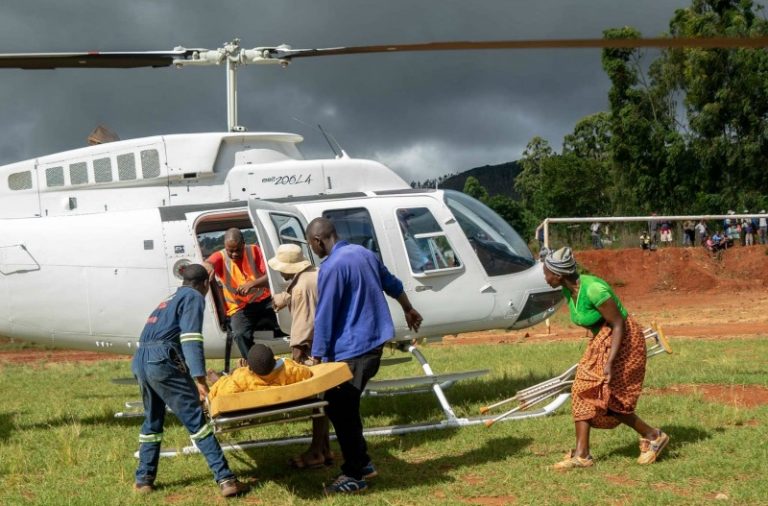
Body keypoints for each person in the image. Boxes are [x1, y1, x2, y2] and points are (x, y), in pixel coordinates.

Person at [306, 217, 423, 494]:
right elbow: (392, 284)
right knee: (346, 406)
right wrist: (408, 308)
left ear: (318, 241)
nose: (314, 250)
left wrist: (318, 358)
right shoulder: (364, 253)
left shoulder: (332, 267)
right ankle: (363, 462)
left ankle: (354, 474)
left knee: (340, 408)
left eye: (313, 245)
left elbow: (325, 315)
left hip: (354, 351)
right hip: (372, 345)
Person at [542, 247, 669, 470]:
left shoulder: (594, 290)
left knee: (610, 397)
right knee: (582, 389)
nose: (545, 278)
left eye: (547, 273)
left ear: (559, 275)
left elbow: (618, 323)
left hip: (625, 340)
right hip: (602, 340)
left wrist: (609, 362)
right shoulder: (567, 291)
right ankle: (582, 455)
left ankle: (653, 436)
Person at [131, 264, 249, 497]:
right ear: (205, 284)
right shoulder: (195, 297)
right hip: (161, 360)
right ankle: (226, 479)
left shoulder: (171, 297)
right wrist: (199, 379)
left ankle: (144, 479)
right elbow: (191, 337)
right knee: (196, 420)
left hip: (141, 360)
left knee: (153, 420)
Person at [267, 243, 333, 469]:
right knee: (324, 400)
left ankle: (316, 451)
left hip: (315, 350)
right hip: (331, 344)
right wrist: (283, 298)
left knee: (317, 400)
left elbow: (302, 330)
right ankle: (324, 449)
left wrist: (294, 361)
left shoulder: (300, 289)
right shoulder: (314, 274)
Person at [204, 228, 277, 359]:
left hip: (264, 300)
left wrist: (252, 284)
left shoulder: (254, 250)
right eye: (230, 251)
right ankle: (253, 362)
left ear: (244, 244)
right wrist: (208, 265)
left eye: (238, 250)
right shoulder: (220, 257)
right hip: (240, 308)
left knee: (286, 315)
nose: (234, 254)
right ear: (224, 247)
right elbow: (209, 263)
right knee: (240, 334)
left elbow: (270, 277)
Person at [208, 343, 312, 399]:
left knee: (227, 380)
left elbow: (221, 393)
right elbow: (306, 372)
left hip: (246, 386)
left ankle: (220, 378)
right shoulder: (290, 370)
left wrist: (241, 370)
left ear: (251, 369)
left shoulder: (242, 379)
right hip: (280, 393)